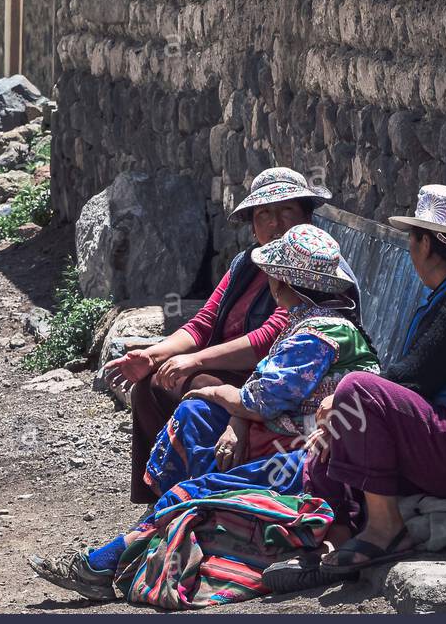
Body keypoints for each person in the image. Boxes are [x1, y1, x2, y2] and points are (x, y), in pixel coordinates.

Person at [29, 224, 379, 603]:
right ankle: (159, 527)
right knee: (196, 417)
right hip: (292, 437)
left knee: (201, 486)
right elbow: (259, 388)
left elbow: (259, 400)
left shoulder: (316, 335)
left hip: (313, 456)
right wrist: (227, 410)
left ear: (282, 283)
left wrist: (212, 390)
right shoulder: (309, 322)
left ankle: (108, 560)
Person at [263, 185, 446, 592]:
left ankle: (384, 529)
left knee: (357, 392)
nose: (410, 249)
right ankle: (336, 541)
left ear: (425, 244)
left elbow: (414, 379)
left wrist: (342, 402)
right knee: (327, 442)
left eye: (412, 239)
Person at [103, 167, 338, 503]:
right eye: (264, 214)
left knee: (195, 388)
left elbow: (270, 337)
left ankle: (204, 494)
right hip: (233, 369)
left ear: (306, 217)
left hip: (279, 377)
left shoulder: (311, 268)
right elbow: (204, 322)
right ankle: (161, 495)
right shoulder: (245, 264)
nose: (275, 223)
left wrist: (194, 361)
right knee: (150, 386)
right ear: (253, 225)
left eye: (286, 210)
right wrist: (154, 355)